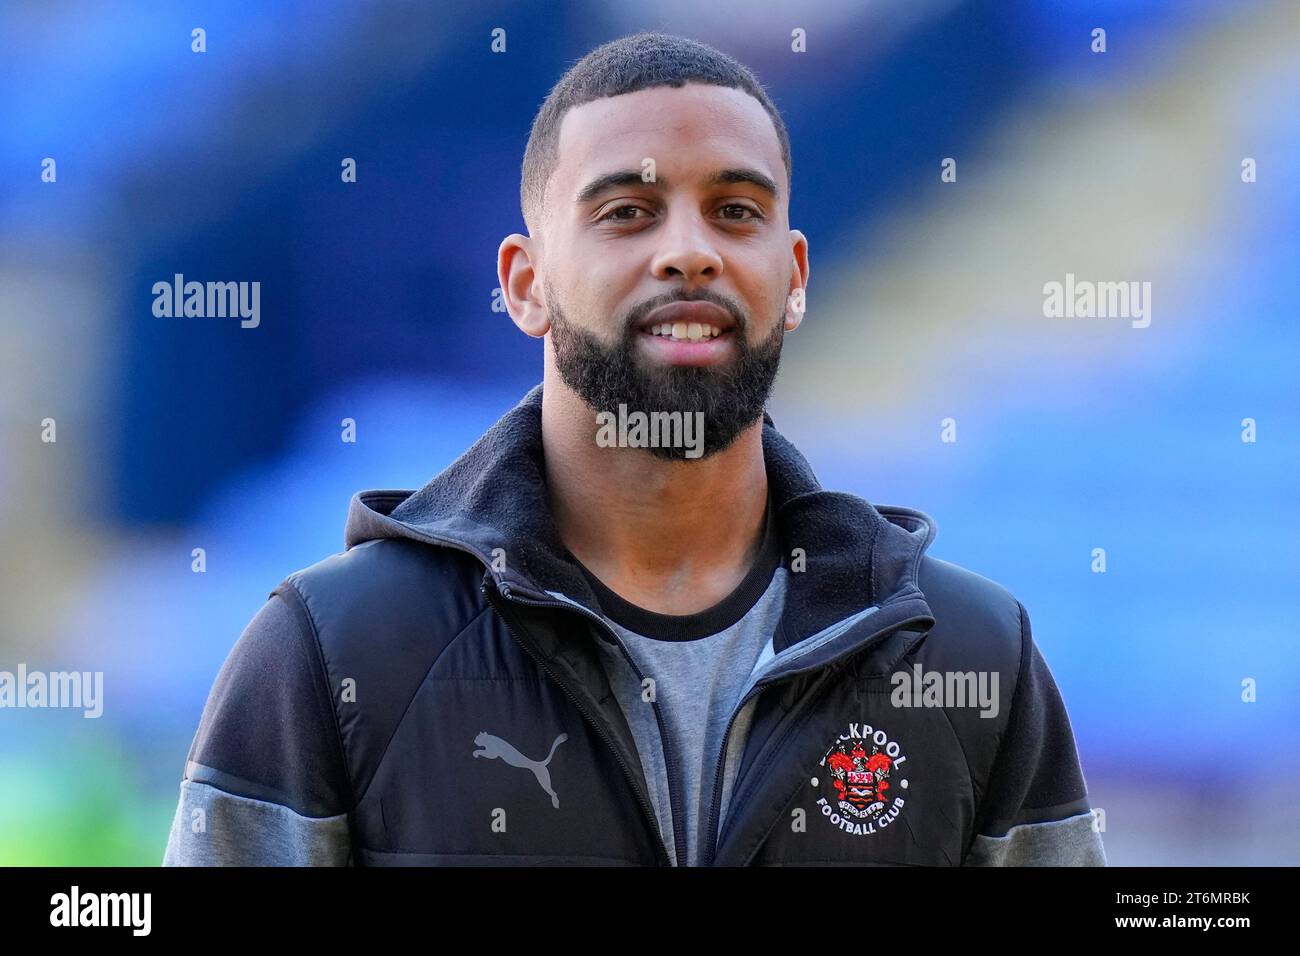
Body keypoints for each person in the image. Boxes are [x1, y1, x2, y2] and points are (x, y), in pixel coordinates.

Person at [163, 31, 1105, 867]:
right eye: (627, 212)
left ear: (795, 277)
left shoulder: (970, 654)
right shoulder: (335, 652)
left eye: (737, 210)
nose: (690, 252)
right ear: (526, 284)